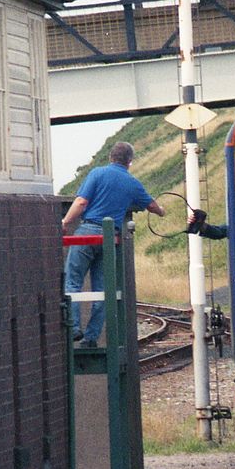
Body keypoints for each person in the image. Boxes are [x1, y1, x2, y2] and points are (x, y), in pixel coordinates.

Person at [62, 141, 165, 346]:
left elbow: (81, 202)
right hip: (110, 240)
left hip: (87, 232)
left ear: (111, 157)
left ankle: (73, 327)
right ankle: (91, 339)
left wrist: (65, 222)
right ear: (130, 162)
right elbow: (152, 205)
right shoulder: (132, 183)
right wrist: (162, 211)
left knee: (73, 280)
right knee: (103, 289)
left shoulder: (97, 174)